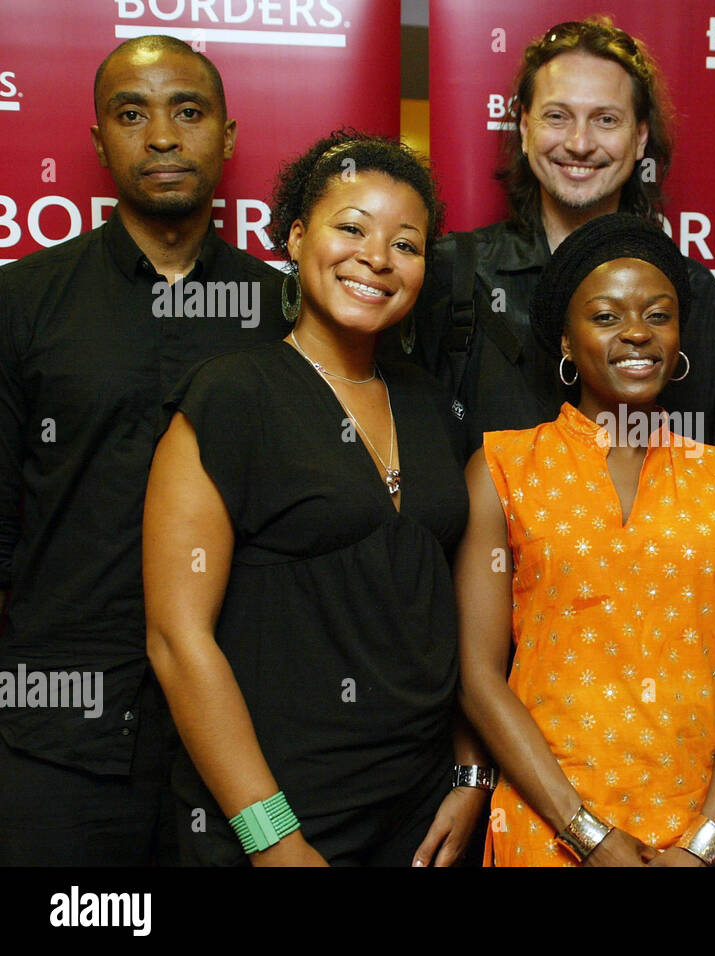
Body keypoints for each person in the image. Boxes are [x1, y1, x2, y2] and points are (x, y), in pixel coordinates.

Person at [143, 131, 488, 866]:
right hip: (279, 810)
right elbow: (178, 640)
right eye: (352, 228)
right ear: (298, 238)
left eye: (407, 244)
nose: (377, 258)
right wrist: (271, 837)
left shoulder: (434, 406)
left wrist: (468, 775)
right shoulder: (232, 394)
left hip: (421, 817)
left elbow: (458, 613)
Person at [0, 35, 286, 865]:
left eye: (188, 112)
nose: (162, 136)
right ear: (99, 142)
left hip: (245, 739)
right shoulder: (22, 303)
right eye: (133, 114)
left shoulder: (286, 312)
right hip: (58, 742)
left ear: (228, 135)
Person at [456, 214, 715, 866]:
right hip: (549, 828)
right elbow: (476, 676)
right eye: (605, 317)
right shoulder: (504, 468)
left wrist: (707, 842)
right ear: (566, 343)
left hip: (701, 835)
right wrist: (585, 833)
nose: (636, 333)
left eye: (658, 315)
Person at [395, 16, 715, 453]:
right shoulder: (454, 273)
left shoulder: (689, 289)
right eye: (557, 116)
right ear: (525, 128)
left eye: (605, 119)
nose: (579, 143)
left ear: (640, 139)